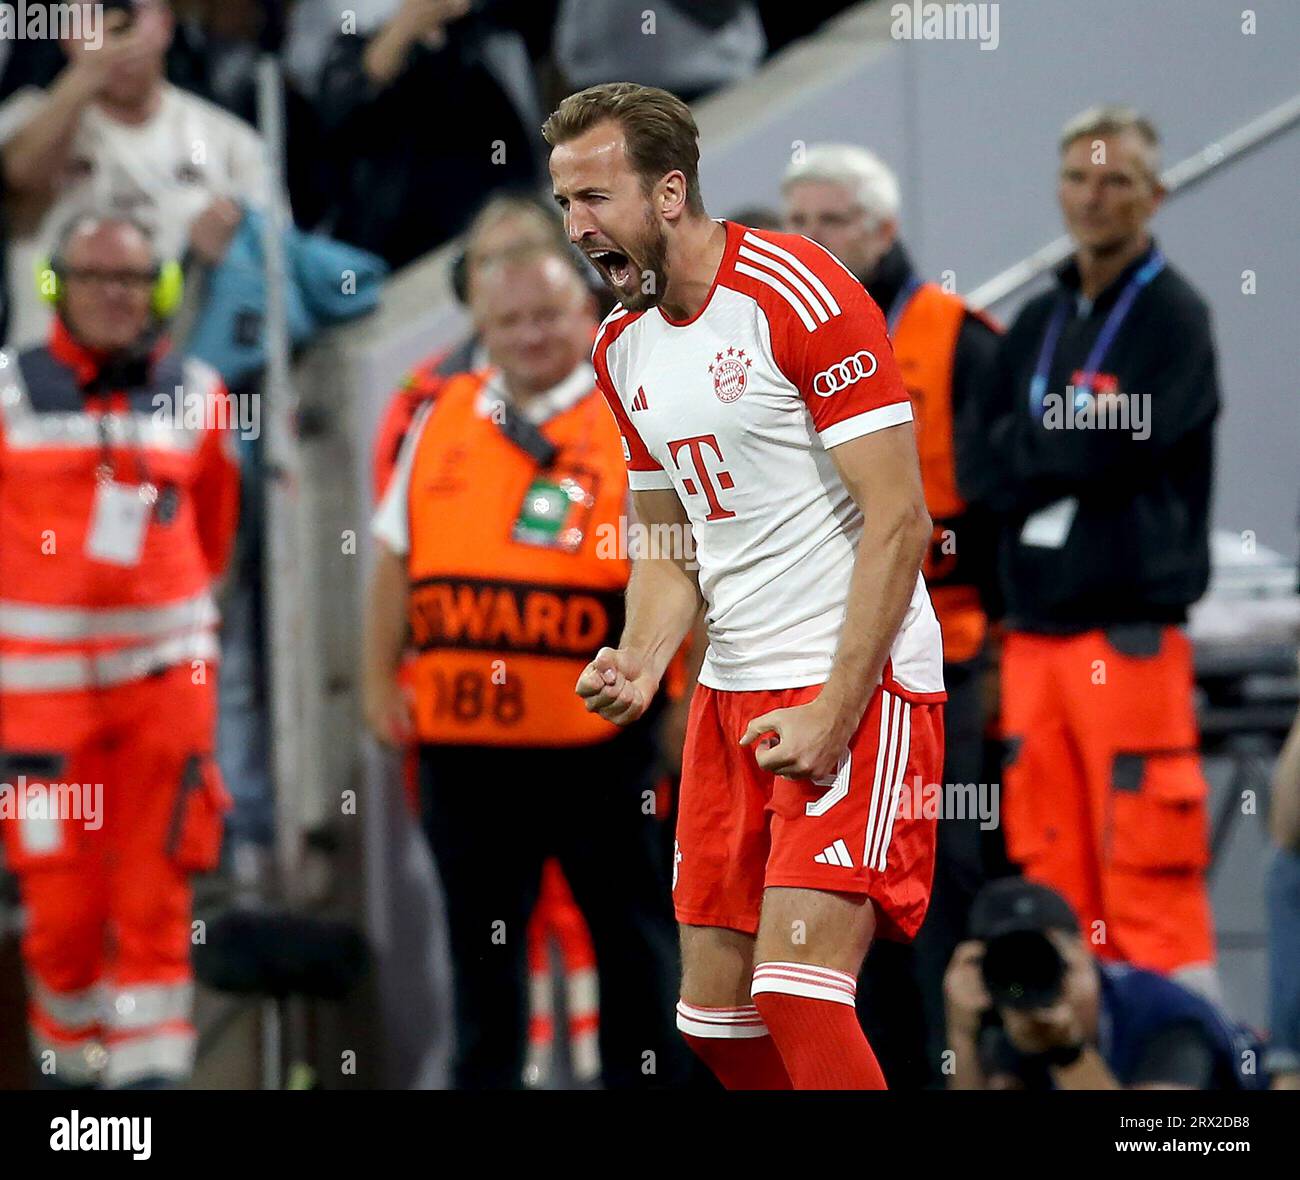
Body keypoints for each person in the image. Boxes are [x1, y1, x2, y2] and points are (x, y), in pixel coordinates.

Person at [550, 82, 945, 1090]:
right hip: (730, 697)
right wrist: (641, 657)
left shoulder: (797, 291)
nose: (575, 226)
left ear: (669, 192)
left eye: (594, 197)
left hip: (855, 684)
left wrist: (833, 708)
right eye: (563, 203)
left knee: (799, 991)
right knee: (716, 1024)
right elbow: (666, 538)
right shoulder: (618, 345)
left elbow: (901, 520)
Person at [362, 242, 688, 1090]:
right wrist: (371, 678)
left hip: (603, 745)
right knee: (481, 959)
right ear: (480, 326)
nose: (531, 334)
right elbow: (392, 556)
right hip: (464, 749)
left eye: (547, 314)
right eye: (510, 319)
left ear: (586, 311)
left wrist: (688, 696)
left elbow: (691, 568)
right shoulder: (443, 409)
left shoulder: (639, 413)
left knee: (634, 945)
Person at [960, 106, 1221, 997]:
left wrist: (1041, 447)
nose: (1093, 197)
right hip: (1034, 638)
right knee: (1050, 870)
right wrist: (1060, 445)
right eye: (1078, 177)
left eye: (1116, 180)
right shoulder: (1036, 322)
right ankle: (1073, 1057)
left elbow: (1116, 448)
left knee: (1144, 865)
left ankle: (1175, 1079)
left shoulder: (1174, 318)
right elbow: (978, 463)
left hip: (1130, 636)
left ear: (1155, 194)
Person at [0, 215, 239, 1087]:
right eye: (94, 276)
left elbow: (215, 536)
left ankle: (147, 1089)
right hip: (39, 714)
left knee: (155, 898)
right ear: (54, 285)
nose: (115, 294)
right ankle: (71, 1083)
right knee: (59, 913)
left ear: (161, 291)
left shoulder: (202, 393)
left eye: (134, 278)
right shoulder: (5, 395)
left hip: (165, 694)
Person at [783, 143, 1001, 1088]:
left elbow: (999, 504)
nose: (811, 243)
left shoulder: (958, 337)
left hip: (945, 661)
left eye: (832, 222)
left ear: (882, 229)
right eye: (797, 224)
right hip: (819, 657)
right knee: (828, 896)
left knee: (935, 883)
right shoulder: (772, 336)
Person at [0, 0, 266, 351]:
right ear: (65, 34)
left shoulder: (229, 140)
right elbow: (18, 174)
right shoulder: (28, 117)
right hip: (45, 374)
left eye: (130, 12)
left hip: (181, 376)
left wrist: (231, 253)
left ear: (166, 26)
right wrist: (86, 75)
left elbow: (275, 262)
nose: (114, 30)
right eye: (94, 14)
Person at [943, 878, 1263, 1090]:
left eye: (1045, 960)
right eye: (1015, 965)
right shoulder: (1008, 1011)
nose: (1032, 978)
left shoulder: (1163, 1012)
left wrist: (1067, 1054)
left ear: (1083, 952)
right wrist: (962, 1037)